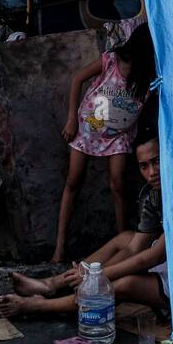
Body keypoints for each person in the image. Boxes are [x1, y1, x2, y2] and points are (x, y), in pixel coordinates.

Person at [0, 134, 166, 318]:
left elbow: (154, 257)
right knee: (126, 238)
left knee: (125, 284)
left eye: (156, 161)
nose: (152, 172)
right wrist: (92, 275)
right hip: (168, 264)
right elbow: (134, 248)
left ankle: (38, 306)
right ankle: (53, 284)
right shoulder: (153, 195)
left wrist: (97, 276)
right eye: (144, 166)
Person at [54, 19, 154, 262]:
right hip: (89, 126)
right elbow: (77, 78)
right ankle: (60, 246)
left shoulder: (148, 73)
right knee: (73, 181)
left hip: (118, 135)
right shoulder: (111, 60)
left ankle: (121, 243)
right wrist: (71, 119)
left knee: (118, 184)